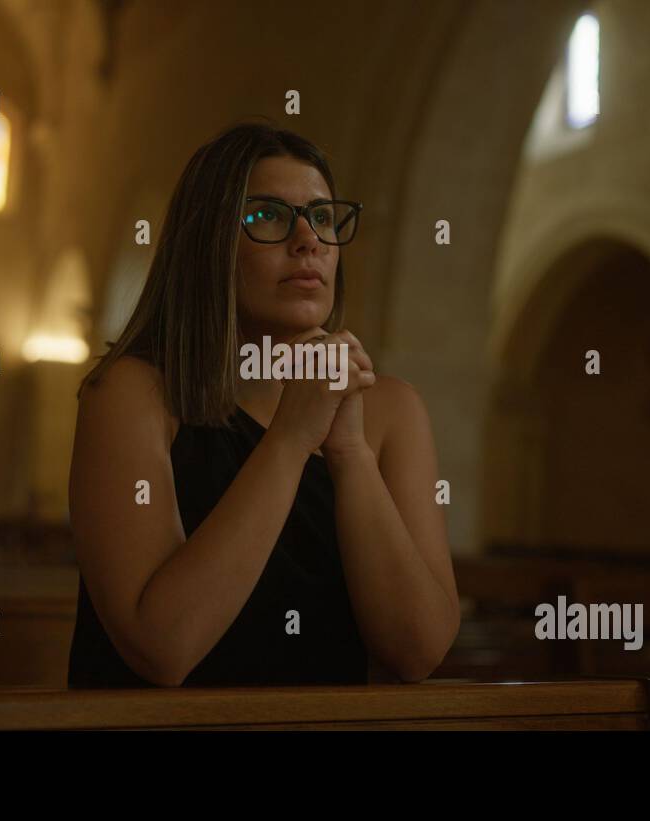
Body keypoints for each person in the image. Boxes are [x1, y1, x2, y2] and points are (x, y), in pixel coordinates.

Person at [66, 121, 459, 688]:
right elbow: (163, 648)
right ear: (208, 244)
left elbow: (419, 651)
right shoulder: (131, 395)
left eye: (322, 217)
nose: (310, 241)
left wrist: (347, 449)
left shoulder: (392, 412)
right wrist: (292, 439)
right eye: (267, 215)